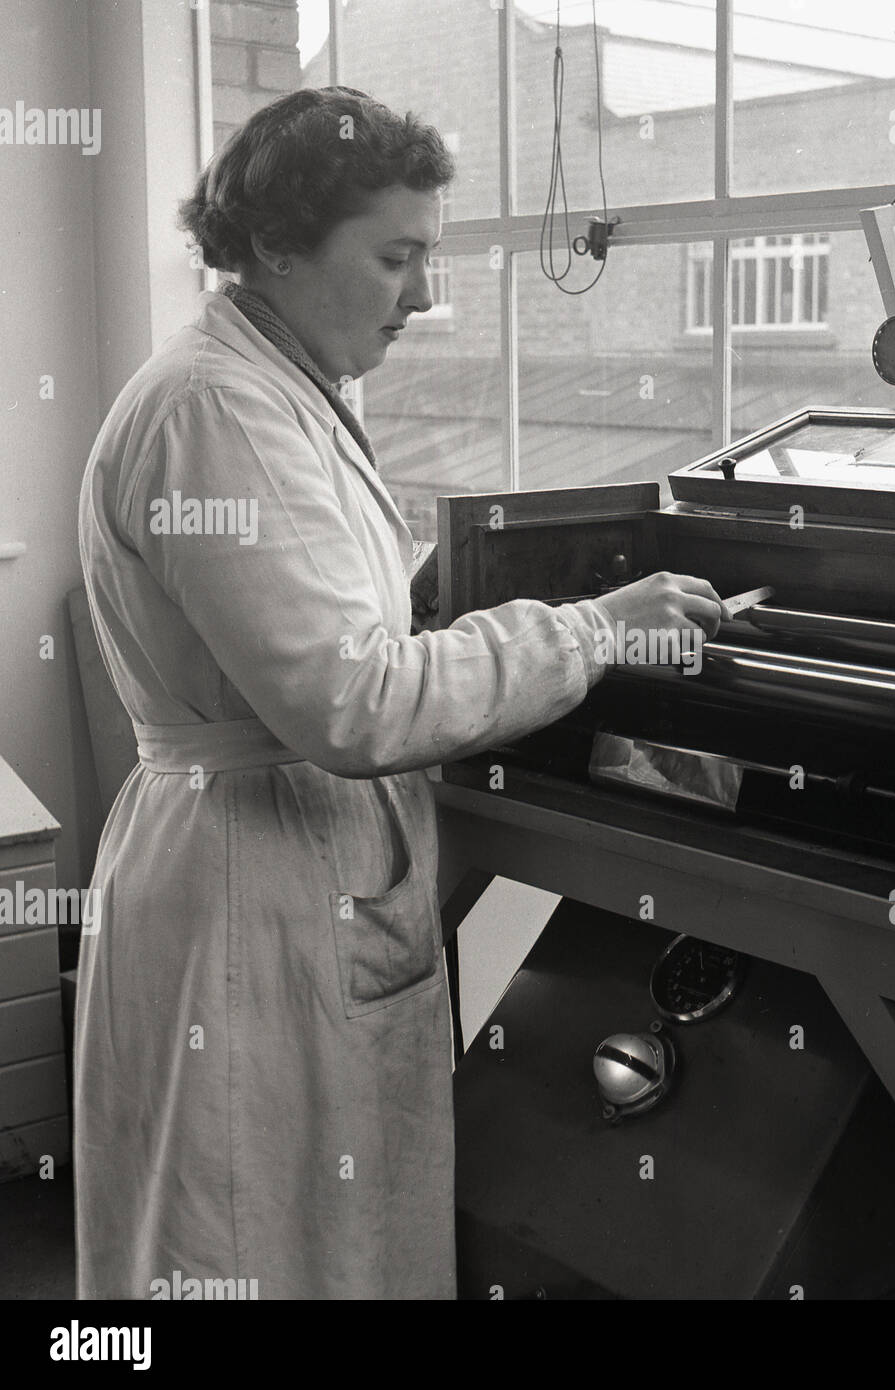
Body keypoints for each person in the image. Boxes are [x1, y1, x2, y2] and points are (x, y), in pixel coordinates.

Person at [74, 85, 721, 1300]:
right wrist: (588, 630)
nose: (422, 297)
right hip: (251, 886)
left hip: (273, 860)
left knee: (296, 1233)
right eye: (395, 257)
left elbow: (313, 631)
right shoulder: (219, 407)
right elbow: (351, 704)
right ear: (272, 245)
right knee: (248, 1240)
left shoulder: (281, 385)